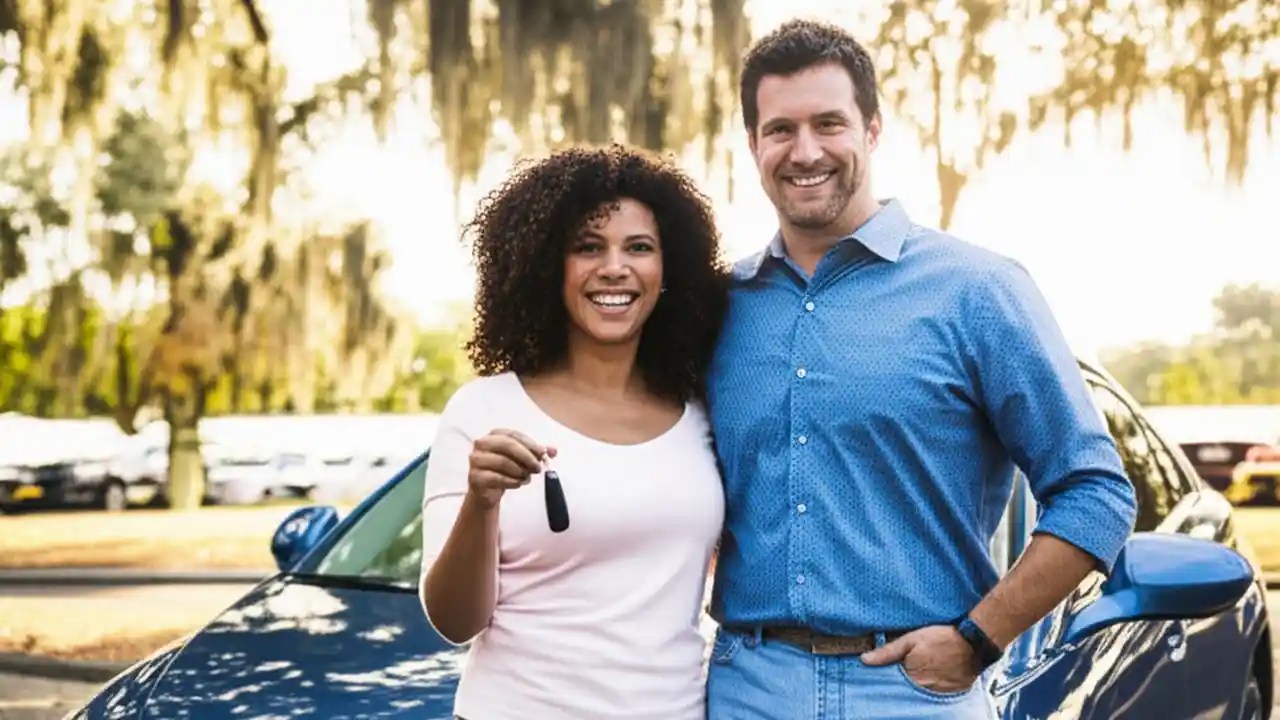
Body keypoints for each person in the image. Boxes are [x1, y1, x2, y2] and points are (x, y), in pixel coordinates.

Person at [702, 19, 1139, 719]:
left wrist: (977, 639)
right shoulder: (719, 306)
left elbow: (1096, 492)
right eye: (780, 129)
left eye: (829, 124)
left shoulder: (977, 291)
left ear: (872, 130)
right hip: (746, 689)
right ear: (753, 143)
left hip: (915, 693)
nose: (805, 151)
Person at [417, 144, 729, 720]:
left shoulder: (700, 415)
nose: (614, 267)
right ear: (547, 267)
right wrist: (481, 503)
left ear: (669, 270)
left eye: (639, 247)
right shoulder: (484, 409)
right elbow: (455, 622)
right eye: (588, 247)